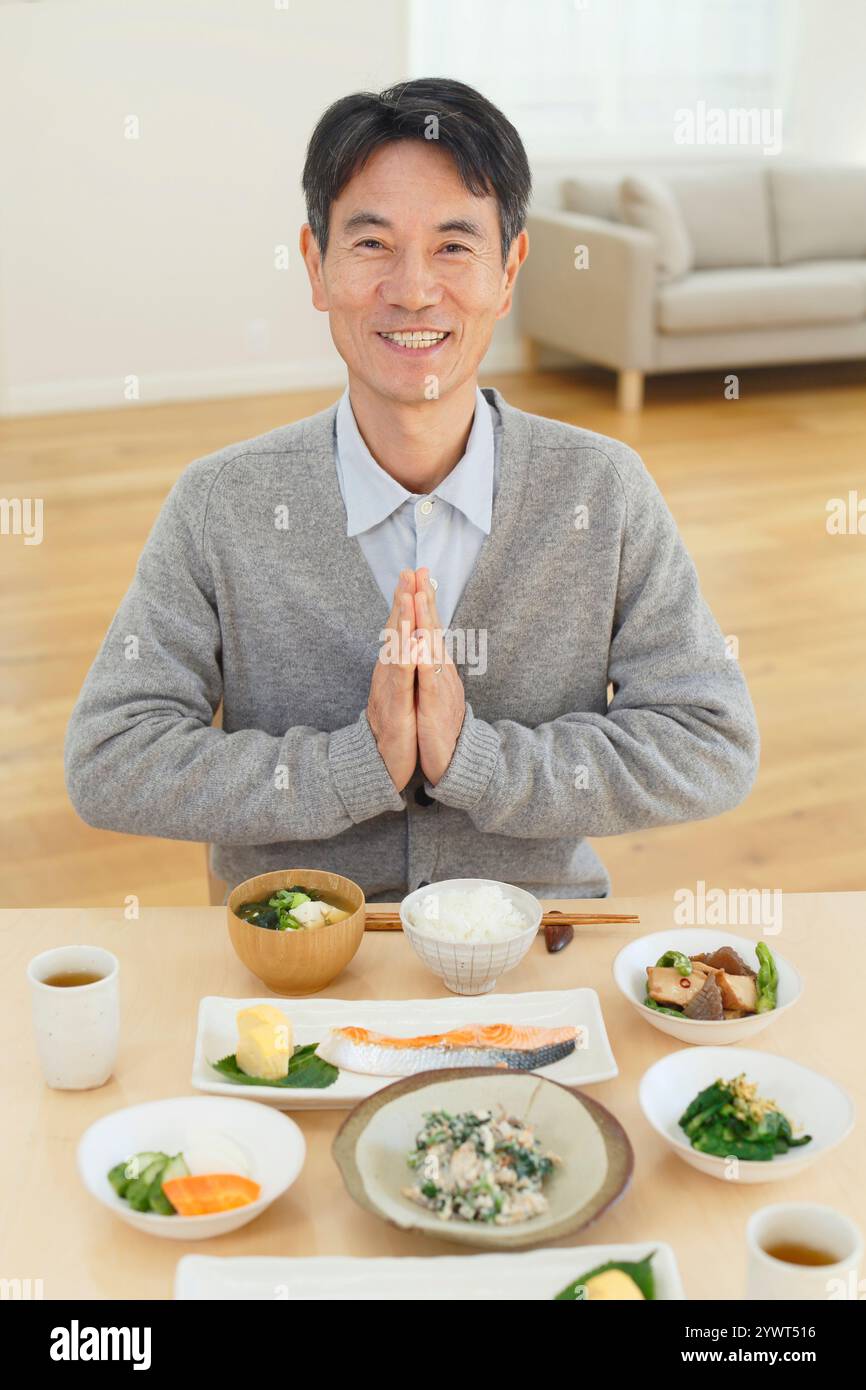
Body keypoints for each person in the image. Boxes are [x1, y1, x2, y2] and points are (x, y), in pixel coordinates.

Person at [64, 78, 759, 902]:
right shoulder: (221, 504)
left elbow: (711, 743)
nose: (415, 289)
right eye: (372, 245)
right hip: (299, 964)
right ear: (316, 266)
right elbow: (110, 758)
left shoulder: (601, 491)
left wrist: (479, 762)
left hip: (534, 951)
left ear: (510, 271)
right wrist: (351, 767)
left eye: (455, 245)